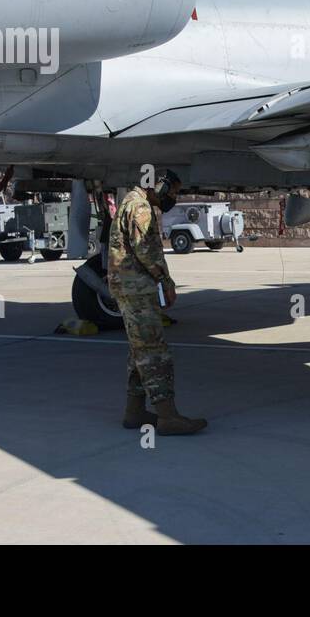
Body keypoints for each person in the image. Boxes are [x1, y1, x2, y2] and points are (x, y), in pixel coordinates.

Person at [107, 169, 207, 435]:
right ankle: (167, 416)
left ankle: (135, 411)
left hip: (129, 288)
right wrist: (166, 281)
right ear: (157, 185)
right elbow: (146, 251)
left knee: (139, 352)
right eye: (172, 191)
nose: (172, 197)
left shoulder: (130, 201)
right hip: (137, 290)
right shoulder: (140, 208)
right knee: (154, 351)